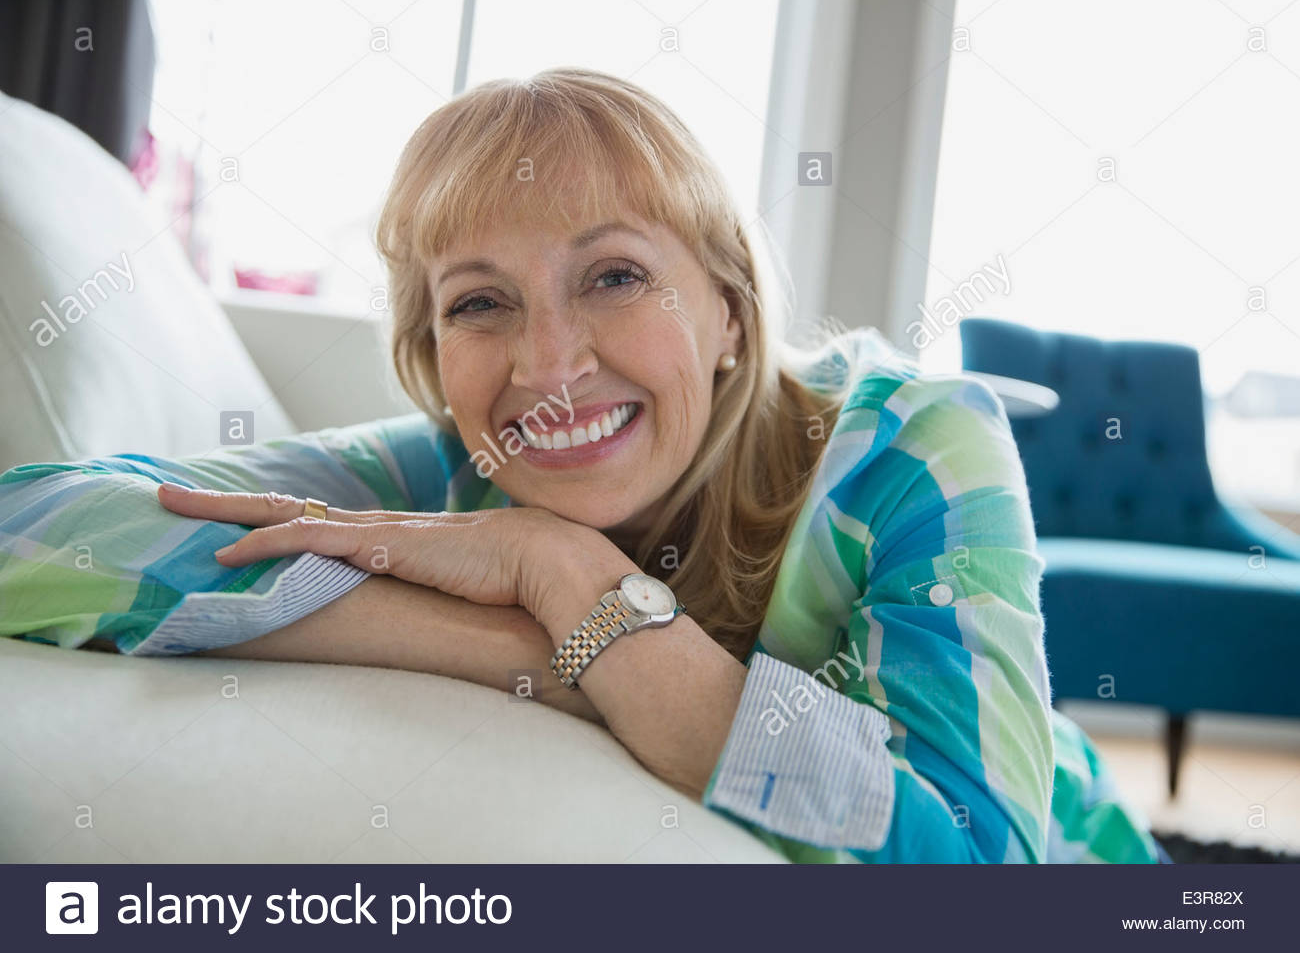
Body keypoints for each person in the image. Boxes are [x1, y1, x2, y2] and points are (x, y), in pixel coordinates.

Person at [0, 68, 1164, 863]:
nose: (548, 364)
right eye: (480, 302)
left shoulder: (916, 444)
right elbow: (31, 525)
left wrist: (575, 583)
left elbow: (974, 863)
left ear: (727, 309)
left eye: (614, 276)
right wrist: (541, 644)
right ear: (433, 354)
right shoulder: (452, 474)